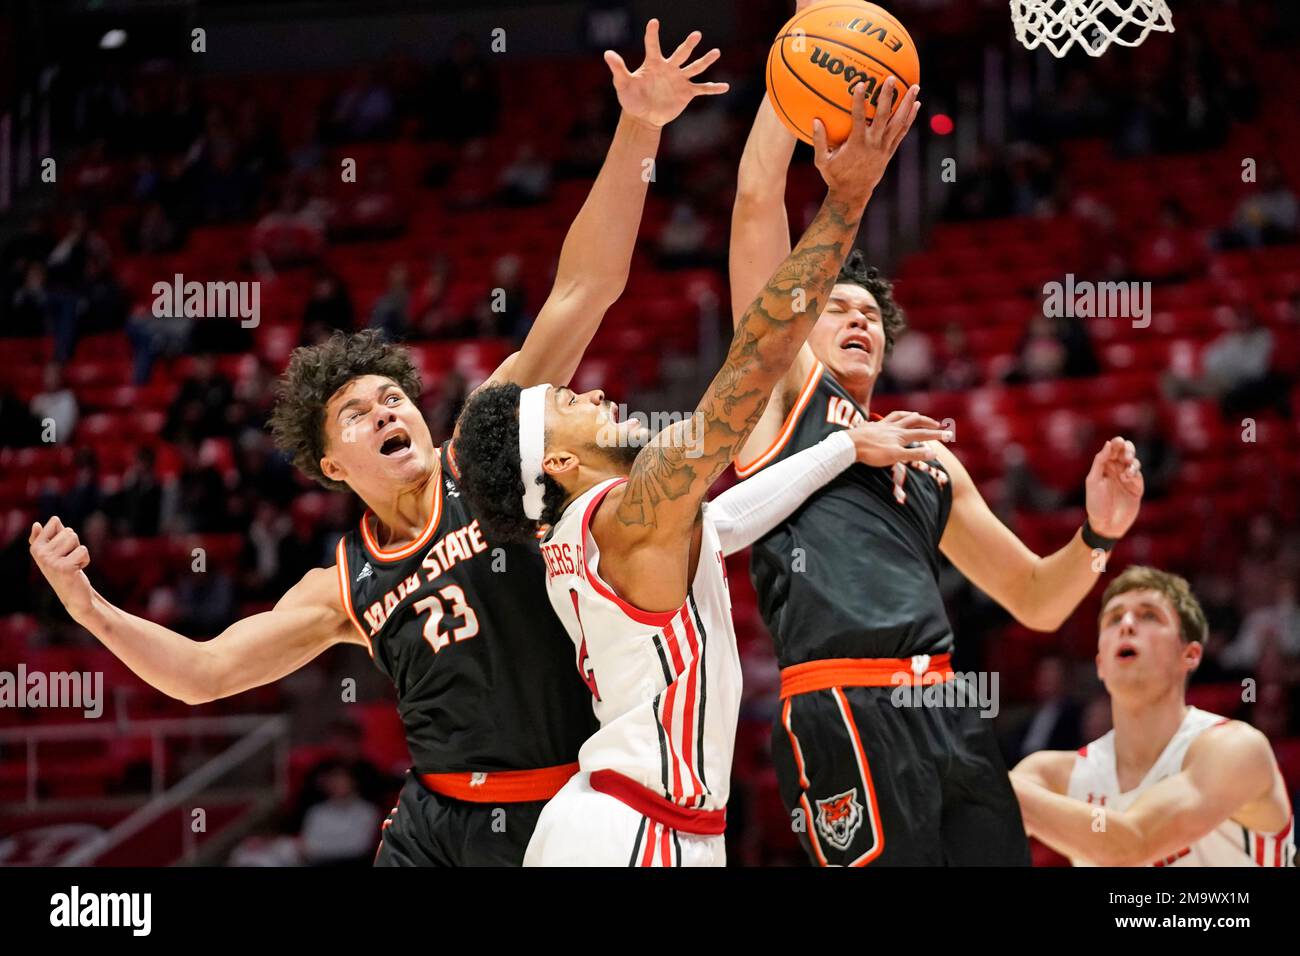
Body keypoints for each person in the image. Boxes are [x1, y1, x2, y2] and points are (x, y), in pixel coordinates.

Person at [27, 22, 726, 867]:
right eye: (357, 413)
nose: (387, 410)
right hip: (432, 825)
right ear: (330, 465)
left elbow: (584, 289)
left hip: (555, 813)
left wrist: (640, 127)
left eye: (394, 396)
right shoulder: (342, 586)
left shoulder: (487, 449)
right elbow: (206, 673)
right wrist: (91, 610)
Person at [454, 77, 923, 865]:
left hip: (631, 823)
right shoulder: (633, 509)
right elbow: (761, 354)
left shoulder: (597, 532)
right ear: (561, 461)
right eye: (574, 402)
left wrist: (844, 446)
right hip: (634, 830)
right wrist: (847, 200)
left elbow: (726, 524)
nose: (596, 391)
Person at [724, 1, 1145, 867]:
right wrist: (800, 48)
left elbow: (1034, 598)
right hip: (841, 702)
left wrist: (1098, 533)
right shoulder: (777, 397)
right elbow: (759, 193)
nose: (858, 321)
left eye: (871, 315)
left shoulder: (924, 454)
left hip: (945, 709)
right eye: (834, 307)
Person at [1011, 566, 1295, 867]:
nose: (1127, 625)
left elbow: (1134, 843)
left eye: (1149, 616)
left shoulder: (1237, 748)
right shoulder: (1053, 775)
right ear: (1100, 664)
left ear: (1190, 654)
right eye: (1114, 618)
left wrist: (1000, 790)